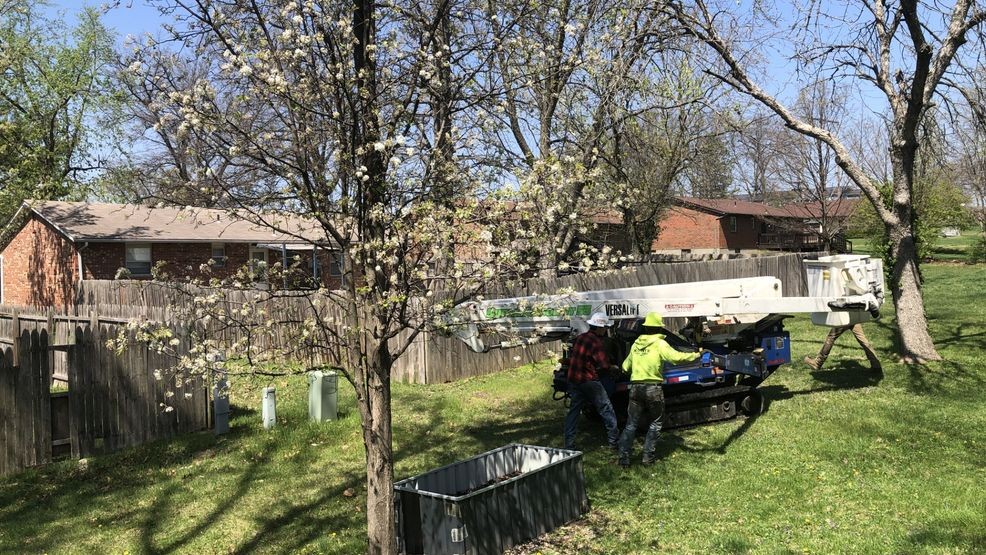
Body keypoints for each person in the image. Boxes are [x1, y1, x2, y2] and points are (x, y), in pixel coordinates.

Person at [617, 312, 702, 468]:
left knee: (631, 424)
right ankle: (647, 458)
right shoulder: (660, 344)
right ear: (658, 329)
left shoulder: (636, 344)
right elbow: (675, 358)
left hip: (635, 389)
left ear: (646, 328)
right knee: (655, 423)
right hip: (652, 389)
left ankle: (623, 459)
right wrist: (695, 356)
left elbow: (625, 366)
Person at [563, 312, 620, 452]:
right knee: (606, 409)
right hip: (588, 380)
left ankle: (568, 444)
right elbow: (604, 365)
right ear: (600, 327)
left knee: (574, 412)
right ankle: (614, 442)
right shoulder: (596, 342)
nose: (606, 329)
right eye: (605, 327)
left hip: (574, 378)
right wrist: (614, 367)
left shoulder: (580, 338)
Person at [804, 323, 882, 371]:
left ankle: (817, 363)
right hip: (854, 315)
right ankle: (876, 364)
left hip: (844, 315)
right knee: (862, 340)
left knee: (831, 337)